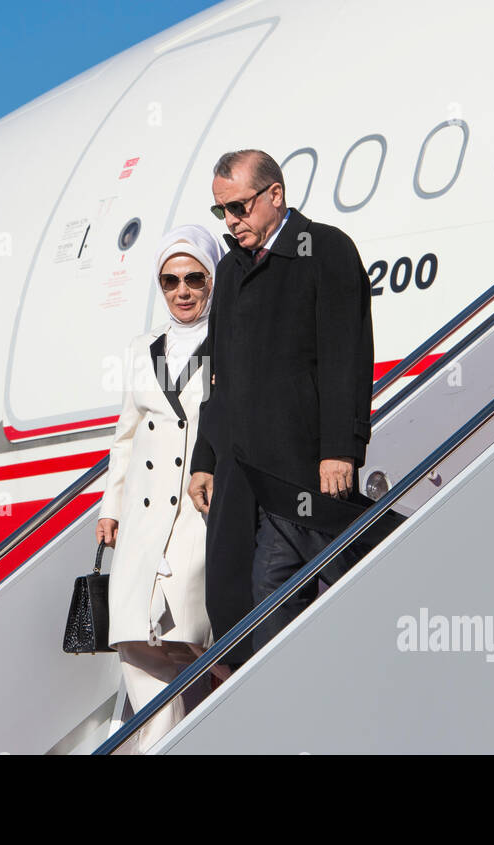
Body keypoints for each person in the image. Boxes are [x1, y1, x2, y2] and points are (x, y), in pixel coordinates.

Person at [188, 149, 400, 663]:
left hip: (301, 470)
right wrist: (205, 460)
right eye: (222, 212)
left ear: (275, 195)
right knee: (238, 603)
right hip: (242, 475)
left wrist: (340, 449)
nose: (231, 221)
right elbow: (217, 380)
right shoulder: (232, 271)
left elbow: (346, 357)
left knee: (281, 592)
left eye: (238, 207)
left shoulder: (324, 249)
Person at [96, 224, 226, 753]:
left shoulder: (227, 345)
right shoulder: (142, 348)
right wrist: (110, 508)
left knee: (189, 638)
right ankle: (159, 745)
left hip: (197, 516)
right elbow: (124, 439)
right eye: (170, 281)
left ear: (213, 280)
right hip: (144, 521)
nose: (183, 291)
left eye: (195, 277)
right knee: (135, 641)